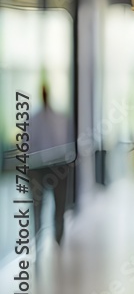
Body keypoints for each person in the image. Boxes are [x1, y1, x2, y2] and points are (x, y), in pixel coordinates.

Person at [26, 84, 73, 246]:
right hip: (37, 167)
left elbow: (67, 142)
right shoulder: (33, 120)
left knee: (60, 203)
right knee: (37, 205)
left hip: (58, 165)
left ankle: (58, 237)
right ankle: (37, 237)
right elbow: (28, 146)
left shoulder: (61, 118)